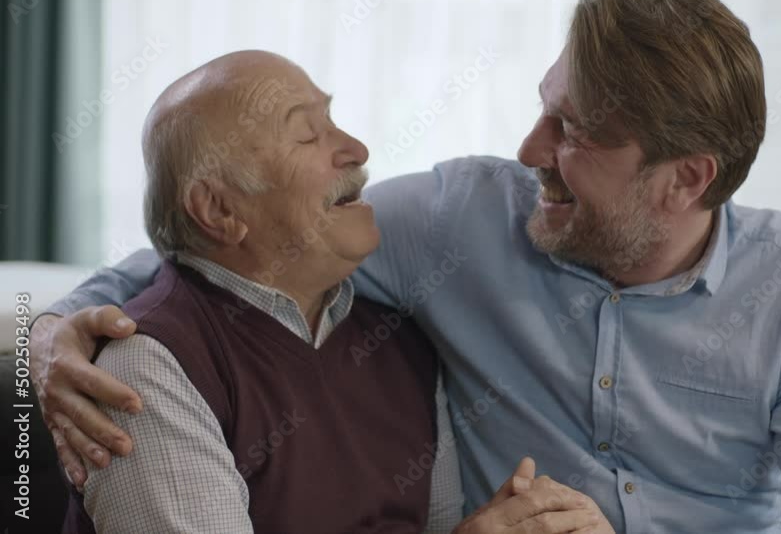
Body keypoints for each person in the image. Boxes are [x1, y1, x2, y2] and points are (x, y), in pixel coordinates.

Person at [31, 0, 781, 533]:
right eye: (544, 107)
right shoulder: (460, 221)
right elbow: (213, 259)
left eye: (573, 134)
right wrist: (52, 332)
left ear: (684, 180)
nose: (530, 149)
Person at [53, 50, 607, 534]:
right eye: (307, 135)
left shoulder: (401, 342)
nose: (357, 149)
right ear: (219, 210)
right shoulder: (146, 368)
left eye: (334, 120)